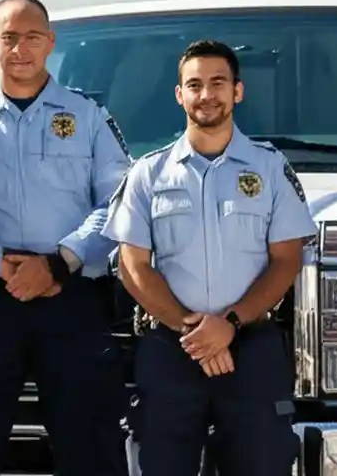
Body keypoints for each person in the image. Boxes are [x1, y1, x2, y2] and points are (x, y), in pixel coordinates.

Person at [0, 0, 132, 476]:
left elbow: (119, 203)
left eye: (32, 37)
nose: (21, 49)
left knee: (90, 444)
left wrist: (61, 263)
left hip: (73, 299)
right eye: (10, 38)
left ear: (50, 44)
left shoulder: (88, 119)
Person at [103, 40, 315, 476]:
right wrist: (193, 330)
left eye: (218, 83)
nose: (206, 95)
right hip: (170, 351)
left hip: (251, 350)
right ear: (179, 95)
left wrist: (230, 323)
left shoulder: (270, 168)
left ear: (238, 91)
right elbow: (133, 266)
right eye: (194, 85)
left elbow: (286, 260)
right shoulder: (148, 173)